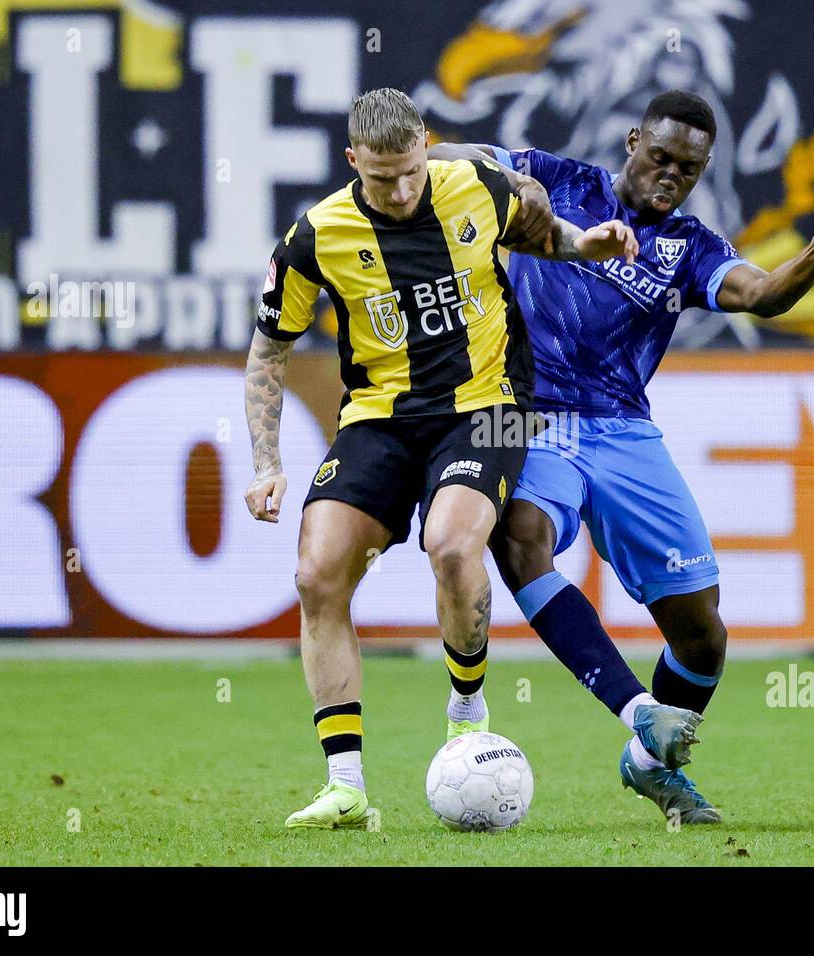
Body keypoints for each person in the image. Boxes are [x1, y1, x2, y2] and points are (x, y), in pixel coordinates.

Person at [429, 89, 814, 824]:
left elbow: (760, 295)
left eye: (687, 168)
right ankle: (635, 710)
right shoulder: (559, 180)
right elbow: (448, 159)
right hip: (527, 416)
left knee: (704, 637)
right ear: (633, 141)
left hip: (624, 432)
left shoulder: (692, 248)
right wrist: (493, 170)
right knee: (518, 540)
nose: (670, 175)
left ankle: (647, 763)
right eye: (660, 157)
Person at [243, 88, 641, 830]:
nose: (397, 191)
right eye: (380, 177)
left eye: (410, 172)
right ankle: (346, 784)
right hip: (379, 421)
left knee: (453, 546)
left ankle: (466, 715)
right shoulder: (316, 236)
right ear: (352, 160)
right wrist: (266, 461)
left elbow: (539, 232)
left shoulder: (476, 187)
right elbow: (270, 350)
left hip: (486, 409)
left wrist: (583, 244)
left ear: (427, 147)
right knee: (315, 572)